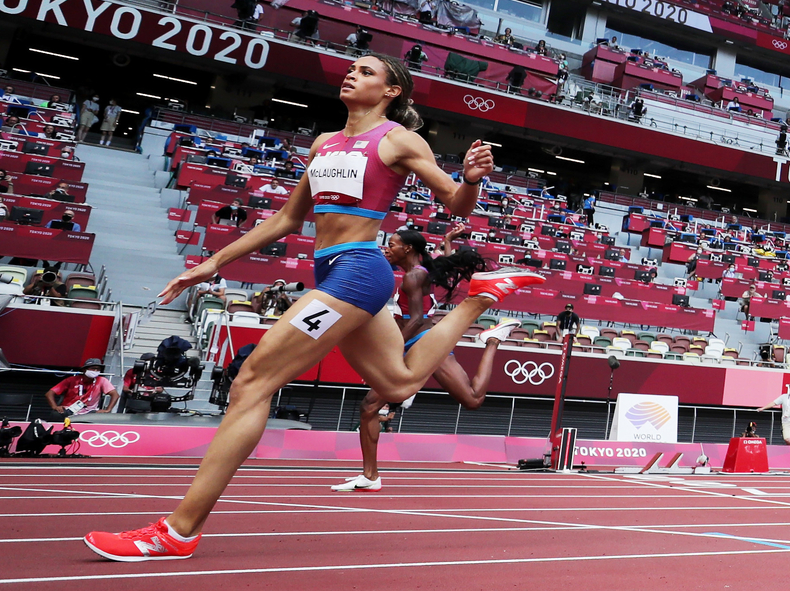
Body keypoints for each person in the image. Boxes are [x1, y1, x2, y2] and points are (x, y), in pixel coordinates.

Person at [83, 54, 544, 561]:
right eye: (352, 68)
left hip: (358, 272)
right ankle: (480, 298)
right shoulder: (324, 145)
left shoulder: (398, 139)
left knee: (252, 381)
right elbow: (285, 219)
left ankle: (178, 530)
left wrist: (472, 180)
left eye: (368, 72)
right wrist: (210, 263)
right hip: (331, 271)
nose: (353, 74)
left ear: (392, 92)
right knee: (396, 382)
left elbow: (455, 203)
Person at [332, 230, 516, 492]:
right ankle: (370, 476)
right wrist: (449, 242)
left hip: (424, 343)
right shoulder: (417, 272)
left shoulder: (414, 275)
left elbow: (417, 319)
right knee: (369, 406)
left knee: (472, 400)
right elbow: (445, 261)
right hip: (415, 342)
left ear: (407, 249)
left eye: (392, 245)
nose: (386, 249)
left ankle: (493, 340)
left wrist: (390, 353)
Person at [46, 358, 119, 415]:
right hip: (69, 409)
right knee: (56, 414)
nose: (95, 371)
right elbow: (49, 393)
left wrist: (108, 409)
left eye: (98, 369)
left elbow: (115, 394)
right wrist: (55, 406)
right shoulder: (71, 380)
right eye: (93, 368)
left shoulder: (102, 380)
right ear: (84, 369)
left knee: (102, 417)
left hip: (90, 412)